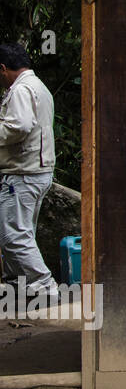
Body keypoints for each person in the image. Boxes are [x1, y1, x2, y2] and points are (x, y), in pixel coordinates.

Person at [0, 43, 57, 297]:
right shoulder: (39, 87)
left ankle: (44, 284)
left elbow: (19, 126)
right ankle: (19, 283)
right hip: (37, 171)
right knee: (22, 232)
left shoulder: (21, 89)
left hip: (24, 173)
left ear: (3, 69)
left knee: (13, 235)